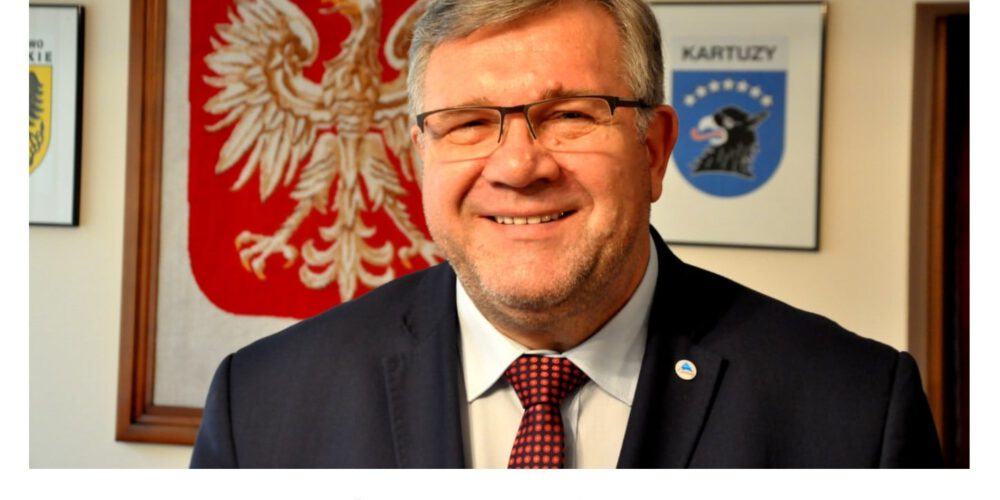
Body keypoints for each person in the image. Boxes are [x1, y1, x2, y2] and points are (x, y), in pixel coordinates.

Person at [191, 0, 942, 468]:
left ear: (654, 150)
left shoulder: (855, 412)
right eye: (468, 123)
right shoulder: (260, 407)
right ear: (421, 155)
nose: (518, 167)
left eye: (572, 115)